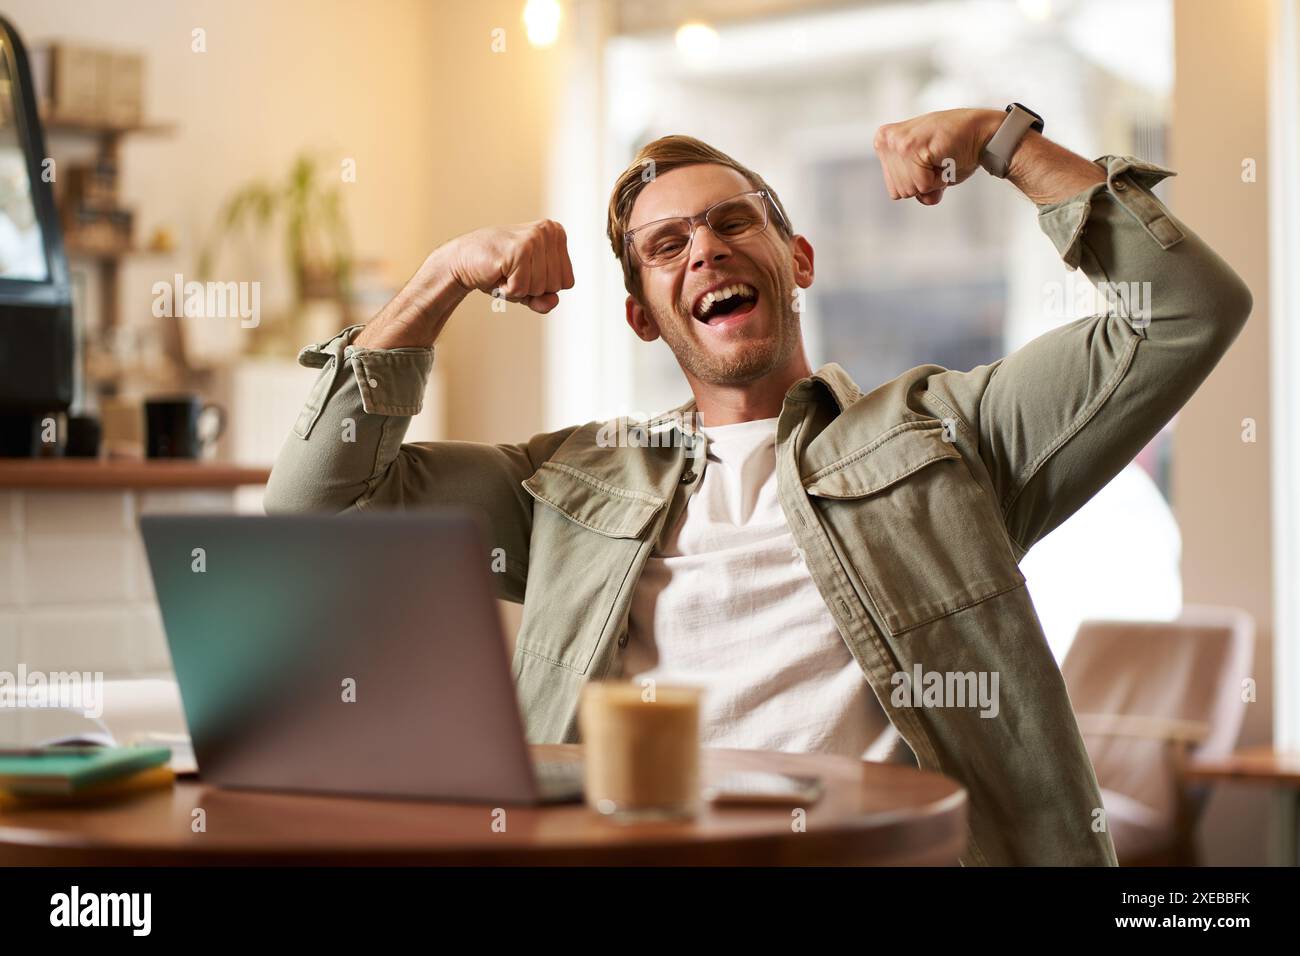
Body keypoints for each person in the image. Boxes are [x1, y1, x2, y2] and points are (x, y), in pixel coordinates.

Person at [265, 107, 1253, 865]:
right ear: (644, 316)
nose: (705, 247)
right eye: (665, 245)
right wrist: (442, 276)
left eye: (734, 220)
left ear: (798, 258)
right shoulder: (560, 483)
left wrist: (1004, 140)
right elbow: (316, 505)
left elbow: (1184, 312)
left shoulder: (953, 434)